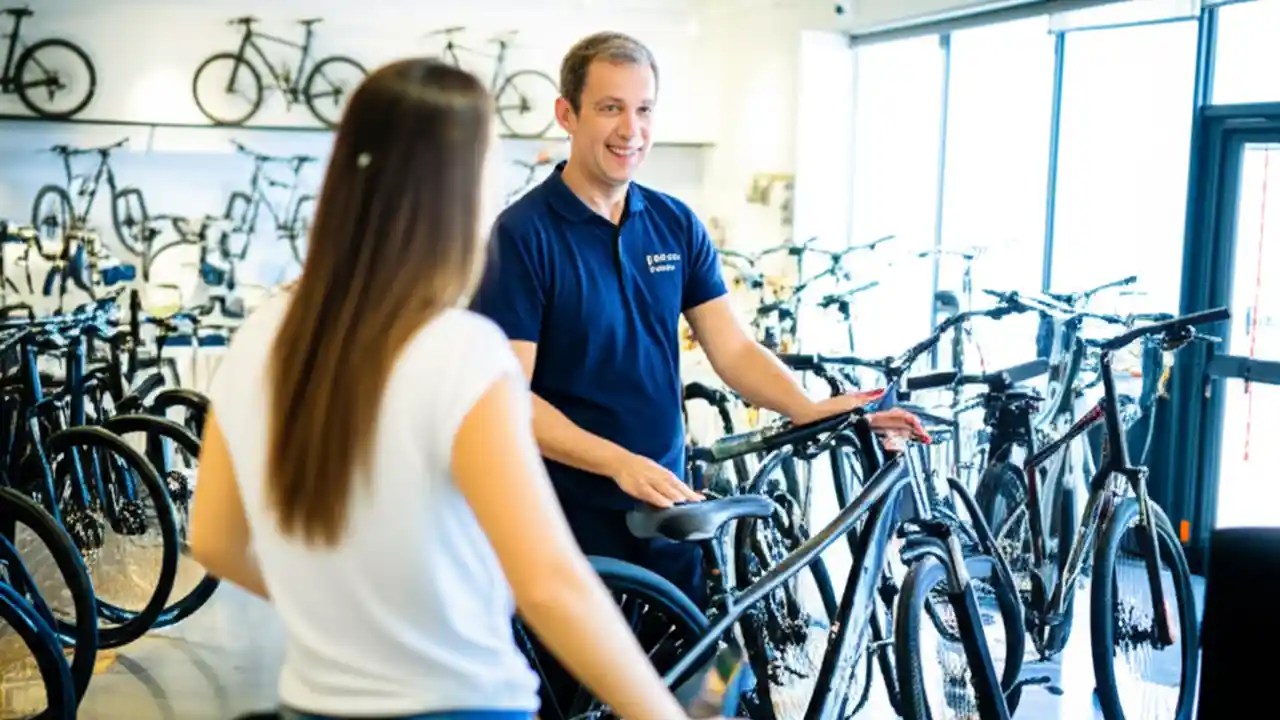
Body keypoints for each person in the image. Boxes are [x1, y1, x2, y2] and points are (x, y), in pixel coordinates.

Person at [188, 59, 708, 720]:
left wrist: (346, 614)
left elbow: (213, 541)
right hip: (463, 703)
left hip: (311, 703)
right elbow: (549, 583)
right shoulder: (459, 352)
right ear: (460, 188)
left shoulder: (262, 335)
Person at [471, 31, 927, 607]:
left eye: (643, 110)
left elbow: (732, 349)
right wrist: (616, 463)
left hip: (666, 502)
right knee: (584, 693)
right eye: (610, 108)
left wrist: (806, 406)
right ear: (568, 114)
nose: (629, 131)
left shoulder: (674, 224)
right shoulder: (522, 236)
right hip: (564, 514)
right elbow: (510, 396)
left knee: (699, 676)